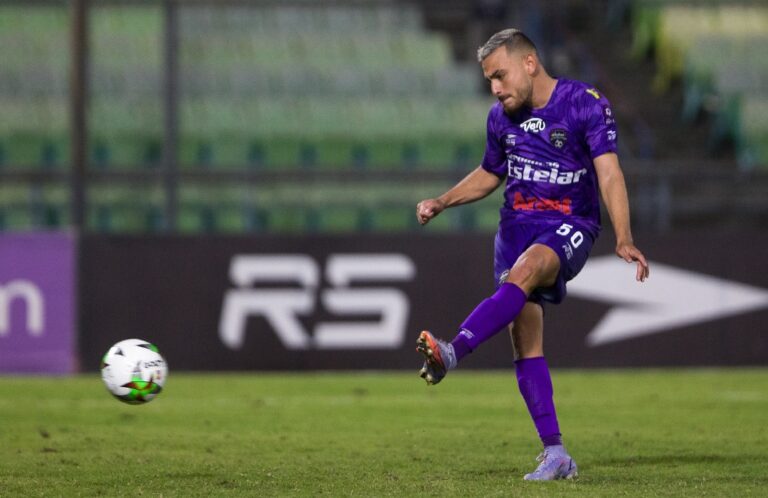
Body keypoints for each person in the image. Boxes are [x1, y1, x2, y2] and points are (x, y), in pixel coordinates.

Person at [415, 28, 649, 481]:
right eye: (489, 80)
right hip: (513, 229)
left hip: (570, 225)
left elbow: (610, 174)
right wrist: (443, 200)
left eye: (499, 76)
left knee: (529, 270)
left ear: (529, 63)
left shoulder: (585, 103)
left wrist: (624, 235)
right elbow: (489, 173)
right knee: (526, 341)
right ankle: (556, 452)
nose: (495, 88)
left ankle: (454, 350)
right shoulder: (501, 117)